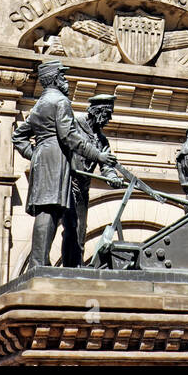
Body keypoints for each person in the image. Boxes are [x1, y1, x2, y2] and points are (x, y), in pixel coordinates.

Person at [12, 62, 117, 269]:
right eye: (63, 77)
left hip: (46, 157)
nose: (66, 81)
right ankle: (38, 264)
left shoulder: (41, 103)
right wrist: (98, 156)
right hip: (56, 158)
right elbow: (69, 137)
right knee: (50, 209)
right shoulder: (60, 101)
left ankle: (40, 262)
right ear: (54, 79)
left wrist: (35, 155)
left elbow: (18, 136)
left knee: (50, 210)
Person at [64, 93, 119, 267]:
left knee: (80, 232)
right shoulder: (74, 124)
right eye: (107, 114)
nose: (109, 119)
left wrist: (112, 177)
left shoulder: (102, 140)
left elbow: (107, 165)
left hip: (82, 191)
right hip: (66, 185)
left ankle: (76, 267)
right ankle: (69, 267)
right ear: (97, 111)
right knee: (70, 229)